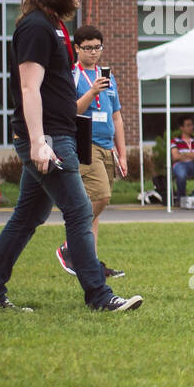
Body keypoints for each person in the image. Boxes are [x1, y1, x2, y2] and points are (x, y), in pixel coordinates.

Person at [0, 0, 141, 312]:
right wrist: (38, 142)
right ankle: (99, 296)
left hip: (59, 133)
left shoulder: (56, 28)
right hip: (47, 139)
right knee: (80, 212)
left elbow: (57, 94)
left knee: (26, 217)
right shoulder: (35, 27)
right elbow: (29, 87)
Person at [54, 25, 127, 280]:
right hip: (85, 143)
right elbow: (69, 111)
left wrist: (123, 152)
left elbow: (116, 116)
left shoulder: (108, 76)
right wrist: (92, 91)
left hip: (107, 146)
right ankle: (70, 246)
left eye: (98, 47)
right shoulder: (72, 75)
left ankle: (91, 265)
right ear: (76, 48)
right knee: (102, 196)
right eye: (88, 48)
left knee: (95, 208)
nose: (94, 52)